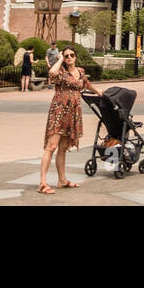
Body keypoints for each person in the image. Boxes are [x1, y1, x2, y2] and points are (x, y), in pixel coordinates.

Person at [39, 45, 100, 194]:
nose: (69, 58)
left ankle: (62, 180)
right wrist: (59, 59)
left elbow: (86, 84)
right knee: (52, 146)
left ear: (75, 56)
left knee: (63, 148)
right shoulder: (60, 70)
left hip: (73, 112)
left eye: (71, 55)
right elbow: (51, 72)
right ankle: (42, 183)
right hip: (59, 111)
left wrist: (100, 93)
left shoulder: (80, 71)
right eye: (66, 56)